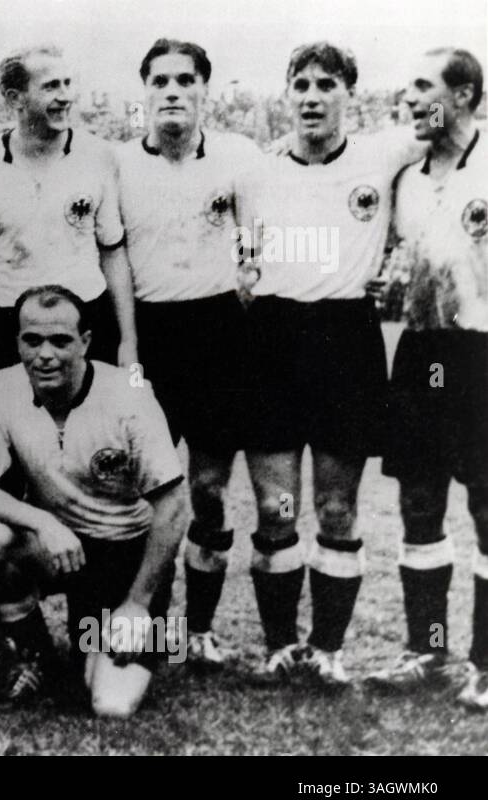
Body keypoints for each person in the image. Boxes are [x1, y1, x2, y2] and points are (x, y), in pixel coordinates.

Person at [239, 43, 425, 685]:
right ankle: (278, 646)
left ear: (350, 94)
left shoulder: (381, 154)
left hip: (346, 337)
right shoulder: (258, 171)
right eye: (301, 85)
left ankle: (328, 650)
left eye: (327, 84)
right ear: (286, 94)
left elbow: (448, 121)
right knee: (276, 508)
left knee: (337, 508)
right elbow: (240, 253)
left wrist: (401, 256)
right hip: (273, 337)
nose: (312, 96)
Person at [0, 286, 186, 716]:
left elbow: (174, 507)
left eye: (60, 341)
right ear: (17, 341)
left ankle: (129, 630)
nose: (45, 355)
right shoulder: (0, 389)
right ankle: (36, 657)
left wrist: (137, 603)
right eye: (32, 340)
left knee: (110, 704)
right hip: (62, 549)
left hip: (126, 558)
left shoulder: (129, 395)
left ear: (86, 342)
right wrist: (41, 522)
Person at [112, 39, 262, 669]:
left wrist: (250, 275)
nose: (172, 91)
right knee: (140, 486)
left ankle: (198, 630)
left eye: (185, 80)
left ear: (205, 89)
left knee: (208, 488)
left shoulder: (239, 156)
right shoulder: (118, 164)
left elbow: (256, 241)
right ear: (144, 90)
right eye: (160, 81)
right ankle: (146, 619)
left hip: (219, 331)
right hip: (148, 333)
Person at [368, 48, 488, 710]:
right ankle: (428, 649)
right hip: (422, 353)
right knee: (419, 501)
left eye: (424, 87)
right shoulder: (405, 178)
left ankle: (487, 663)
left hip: (482, 352)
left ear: (464, 94)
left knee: (487, 507)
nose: (411, 99)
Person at [0, 45, 130, 375]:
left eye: (67, 83)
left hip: (85, 315)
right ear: (15, 98)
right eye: (51, 86)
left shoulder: (99, 155)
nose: (65, 96)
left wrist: (128, 340)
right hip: (8, 323)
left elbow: (113, 253)